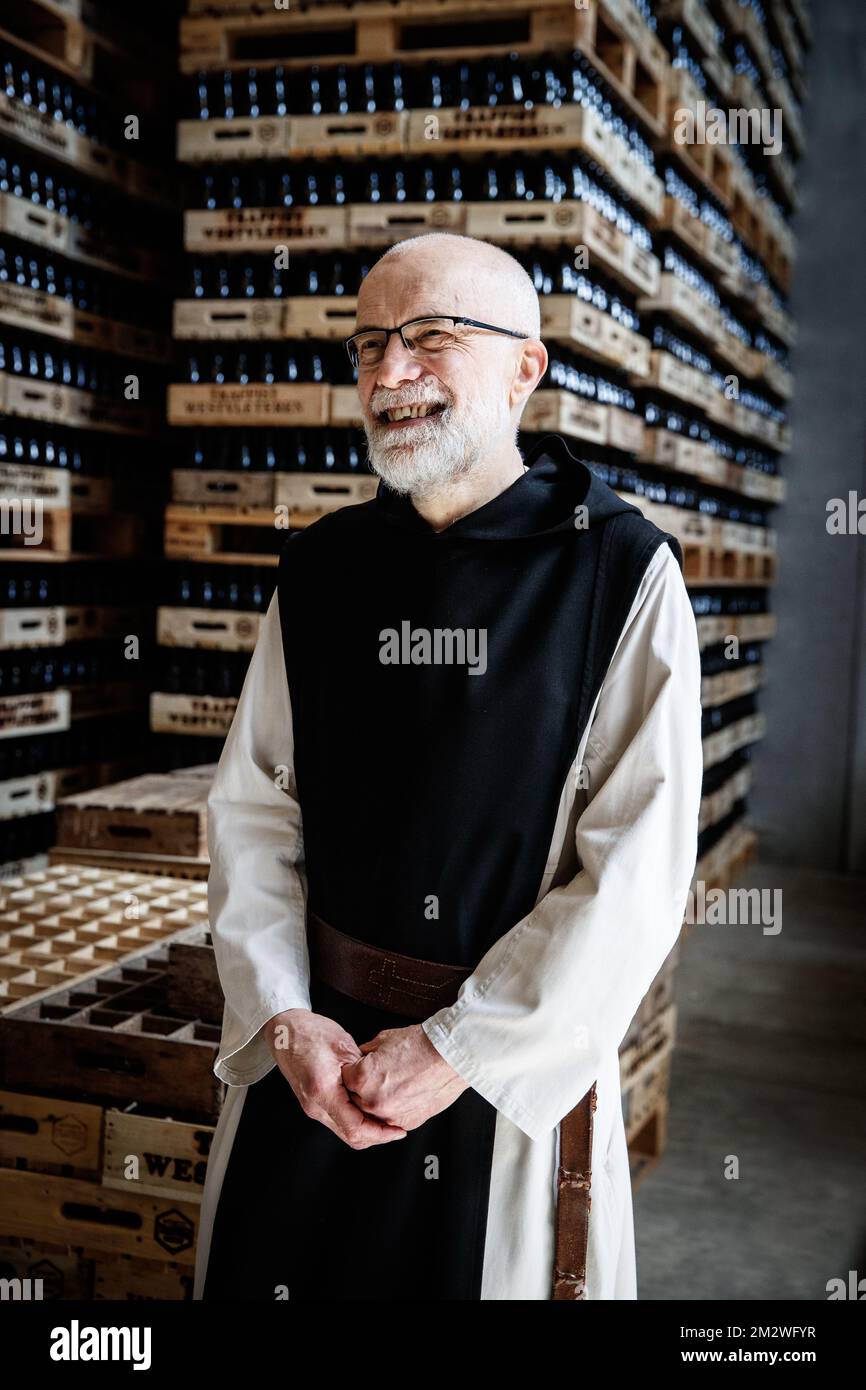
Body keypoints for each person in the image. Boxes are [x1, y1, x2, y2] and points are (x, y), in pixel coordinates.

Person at [193, 232, 703, 1301]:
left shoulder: (619, 572)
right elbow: (251, 813)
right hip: (314, 1065)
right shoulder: (322, 569)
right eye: (368, 345)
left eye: (431, 337)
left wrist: (457, 1049)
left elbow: (633, 869)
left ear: (525, 367)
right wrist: (285, 1020)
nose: (390, 373)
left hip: (498, 1081)